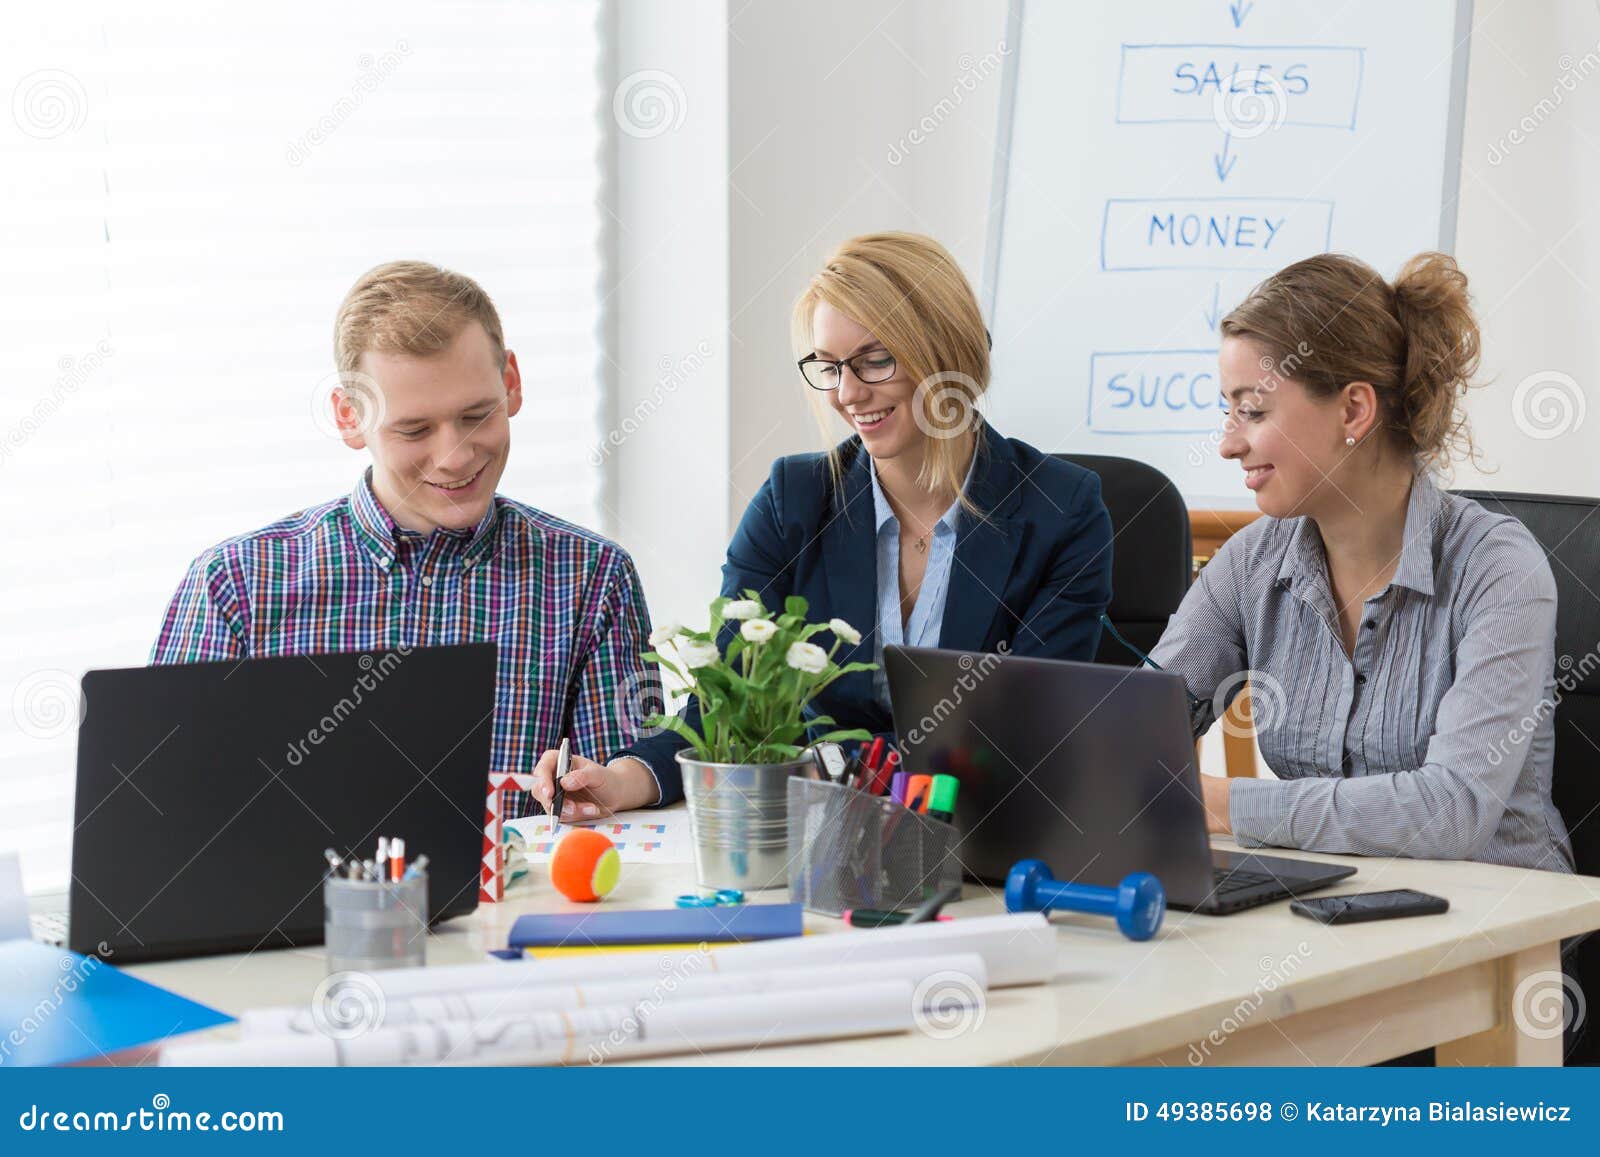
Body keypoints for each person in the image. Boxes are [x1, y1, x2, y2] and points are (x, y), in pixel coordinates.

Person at [533, 231, 1114, 813]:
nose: (847, 393)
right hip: (823, 840)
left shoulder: (1061, 510)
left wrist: (817, 764)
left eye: (875, 360)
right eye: (829, 366)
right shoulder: (795, 499)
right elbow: (730, 699)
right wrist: (625, 777)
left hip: (986, 842)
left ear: (949, 351)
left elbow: (1027, 735)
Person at [151, 261, 660, 821]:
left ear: (511, 383)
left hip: (519, 907)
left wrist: (601, 789)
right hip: (296, 912)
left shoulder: (591, 578)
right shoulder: (235, 586)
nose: (455, 456)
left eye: (476, 414)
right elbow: (161, 818)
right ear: (350, 418)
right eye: (414, 430)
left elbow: (630, 813)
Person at [1152, 251, 1571, 872]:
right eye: (1228, 409)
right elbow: (1134, 729)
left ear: (1353, 410)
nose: (1228, 442)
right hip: (1326, 902)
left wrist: (1218, 805)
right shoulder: (1249, 564)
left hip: (1493, 931)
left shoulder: (1498, 570)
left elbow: (1451, 810)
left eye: (1254, 410)